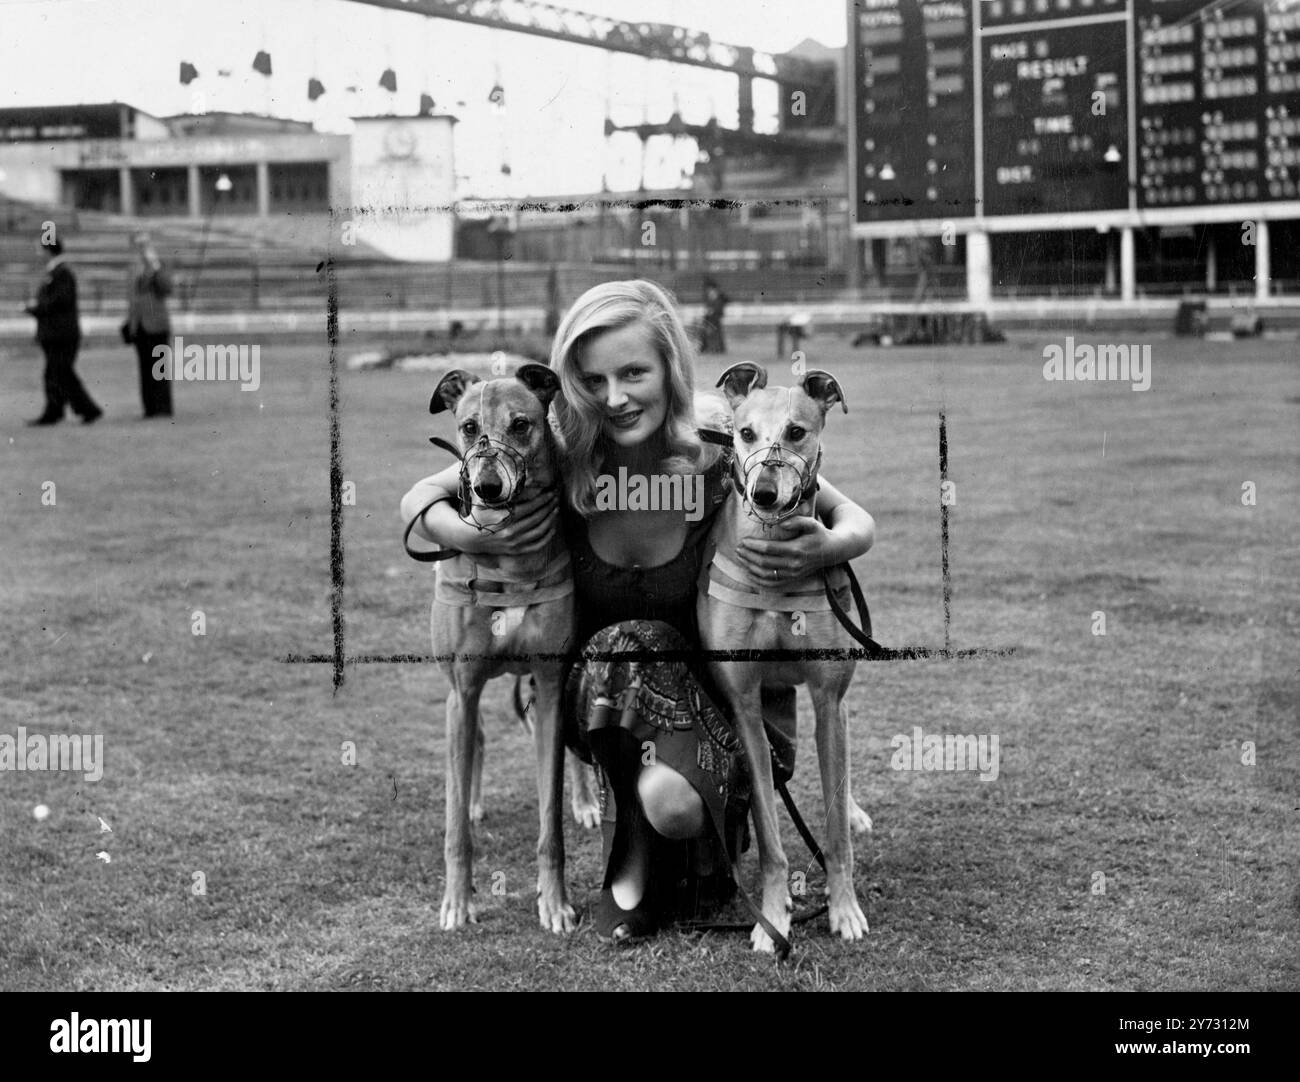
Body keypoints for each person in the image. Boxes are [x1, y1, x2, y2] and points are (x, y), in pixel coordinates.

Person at [400, 279, 875, 944]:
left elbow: (839, 505)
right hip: (608, 706)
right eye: (594, 379)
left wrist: (843, 541)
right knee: (628, 647)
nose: (615, 396)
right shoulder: (553, 452)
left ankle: (710, 823)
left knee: (674, 796)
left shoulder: (721, 451)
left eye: (634, 373)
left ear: (670, 369)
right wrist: (455, 531)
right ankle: (649, 835)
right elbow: (428, 492)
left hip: (705, 703)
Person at [24, 236, 101, 426]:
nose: (38, 254)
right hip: (55, 333)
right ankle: (55, 411)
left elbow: (59, 301)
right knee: (55, 373)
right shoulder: (55, 272)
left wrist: (35, 308)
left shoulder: (62, 273)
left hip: (61, 334)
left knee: (60, 372)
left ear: (48, 250)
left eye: (40, 249)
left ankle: (87, 409)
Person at [123, 232, 174, 418]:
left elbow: (167, 288)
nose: (141, 249)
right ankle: (150, 408)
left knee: (159, 368)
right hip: (140, 325)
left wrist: (154, 266)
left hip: (157, 324)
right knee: (145, 369)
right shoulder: (133, 270)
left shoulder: (160, 266)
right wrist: (131, 323)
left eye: (144, 244)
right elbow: (132, 298)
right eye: (138, 245)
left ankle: (163, 407)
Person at [699, 277, 729, 354]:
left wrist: (712, 311)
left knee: (714, 333)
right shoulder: (710, 296)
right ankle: (709, 348)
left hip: (714, 318)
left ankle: (716, 349)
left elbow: (718, 307)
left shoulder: (717, 296)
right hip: (710, 318)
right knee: (709, 333)